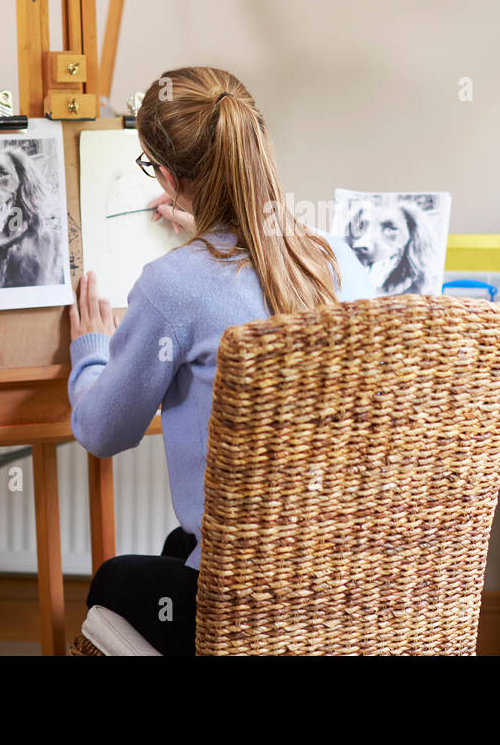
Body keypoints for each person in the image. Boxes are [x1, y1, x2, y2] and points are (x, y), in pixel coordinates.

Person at [67, 66, 373, 655]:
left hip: (245, 609)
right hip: (339, 587)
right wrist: (214, 228)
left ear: (168, 175)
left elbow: (102, 431)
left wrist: (89, 353)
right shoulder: (333, 264)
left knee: (114, 578)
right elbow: (252, 262)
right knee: (174, 550)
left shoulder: (171, 287)